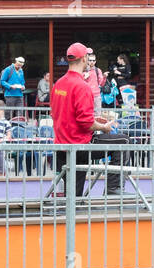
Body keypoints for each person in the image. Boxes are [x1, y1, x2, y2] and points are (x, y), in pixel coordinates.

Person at [51, 42, 121, 197]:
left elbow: (61, 113)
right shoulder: (82, 86)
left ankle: (67, 217)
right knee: (125, 141)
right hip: (80, 144)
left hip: (62, 145)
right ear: (83, 59)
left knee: (72, 197)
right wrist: (104, 127)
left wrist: (94, 118)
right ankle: (113, 189)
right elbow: (86, 123)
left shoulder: (58, 84)